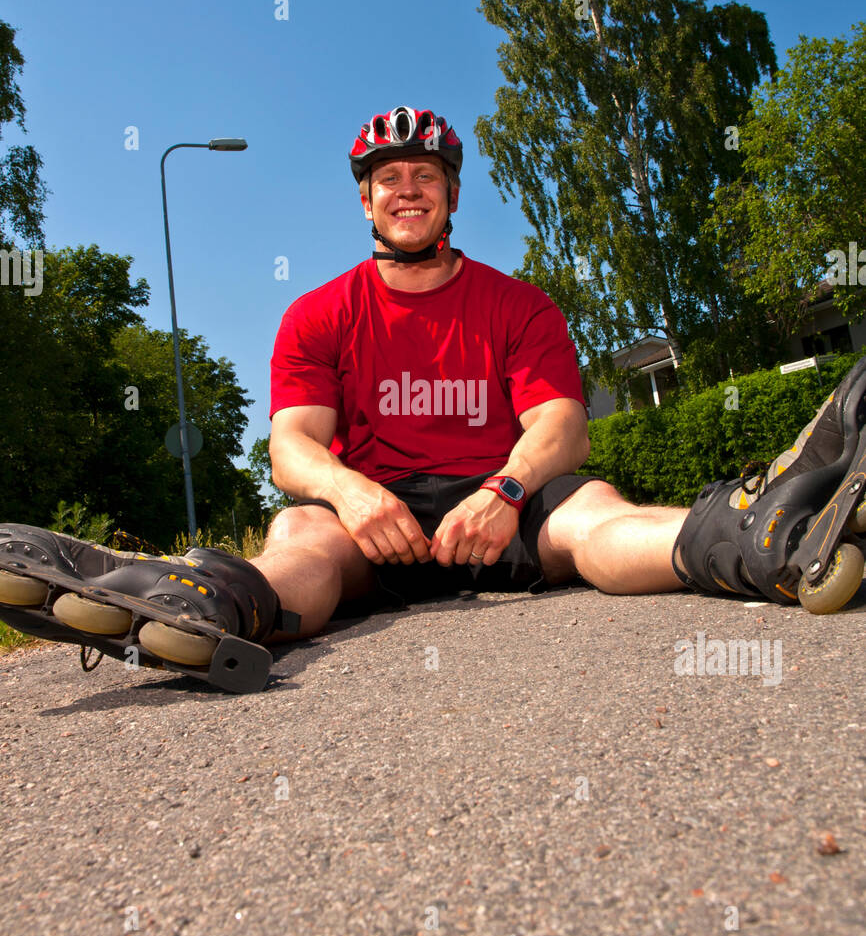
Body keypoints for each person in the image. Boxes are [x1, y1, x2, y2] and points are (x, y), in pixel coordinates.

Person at [1, 106, 864, 690]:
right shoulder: (317, 313)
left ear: (450, 196)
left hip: (498, 504)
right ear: (367, 200)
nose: (406, 189)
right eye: (389, 179)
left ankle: (763, 540)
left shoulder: (518, 303)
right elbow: (292, 444)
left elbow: (562, 427)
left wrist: (508, 490)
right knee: (300, 526)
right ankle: (200, 606)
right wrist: (348, 489)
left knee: (591, 506)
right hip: (377, 522)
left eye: (424, 176)